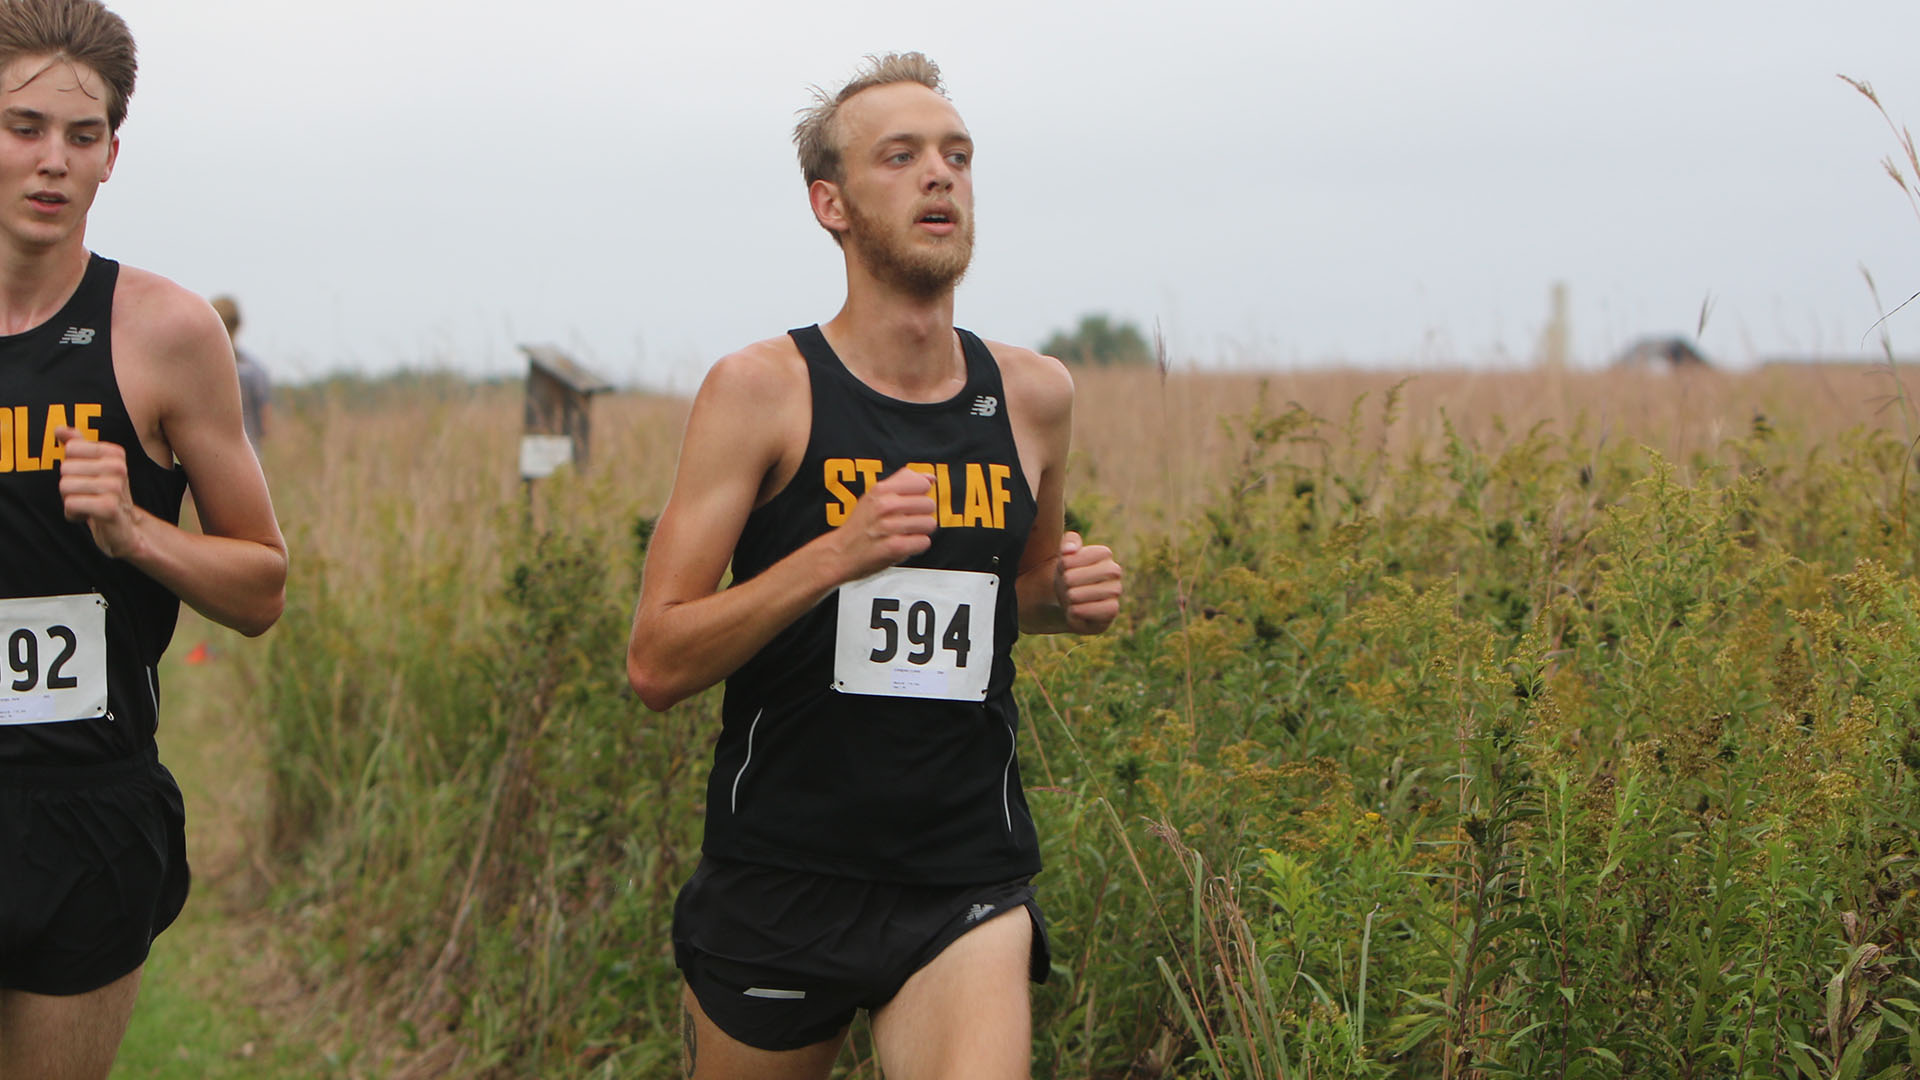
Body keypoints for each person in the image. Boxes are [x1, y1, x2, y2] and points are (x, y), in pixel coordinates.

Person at [626, 52, 1123, 1079]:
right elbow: (658, 661)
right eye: (900, 157)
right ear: (832, 205)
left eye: (957, 156)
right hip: (782, 873)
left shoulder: (1034, 396)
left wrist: (1064, 598)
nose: (940, 174)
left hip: (963, 873)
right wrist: (833, 556)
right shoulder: (762, 390)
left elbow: (1018, 593)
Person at [0, 2, 287, 1077]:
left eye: (83, 136)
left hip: (87, 808)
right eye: (24, 127)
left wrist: (135, 533)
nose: (53, 160)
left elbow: (260, 588)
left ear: (112, 155)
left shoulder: (164, 332)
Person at [208, 294, 270, 451]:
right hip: (249, 451)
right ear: (239, 324)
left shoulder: (198, 369)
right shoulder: (255, 370)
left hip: (208, 452)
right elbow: (265, 423)